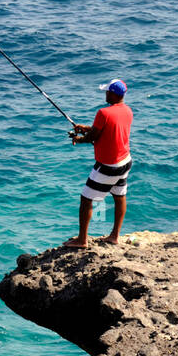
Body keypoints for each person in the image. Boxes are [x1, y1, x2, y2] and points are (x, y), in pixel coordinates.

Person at [63, 79, 132, 248]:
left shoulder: (103, 112)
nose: (105, 94)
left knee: (86, 199)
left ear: (114, 94)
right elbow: (106, 129)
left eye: (107, 91)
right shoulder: (127, 110)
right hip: (125, 161)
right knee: (119, 196)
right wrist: (85, 128)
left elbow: (94, 136)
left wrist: (79, 139)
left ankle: (82, 240)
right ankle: (115, 236)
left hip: (108, 166)